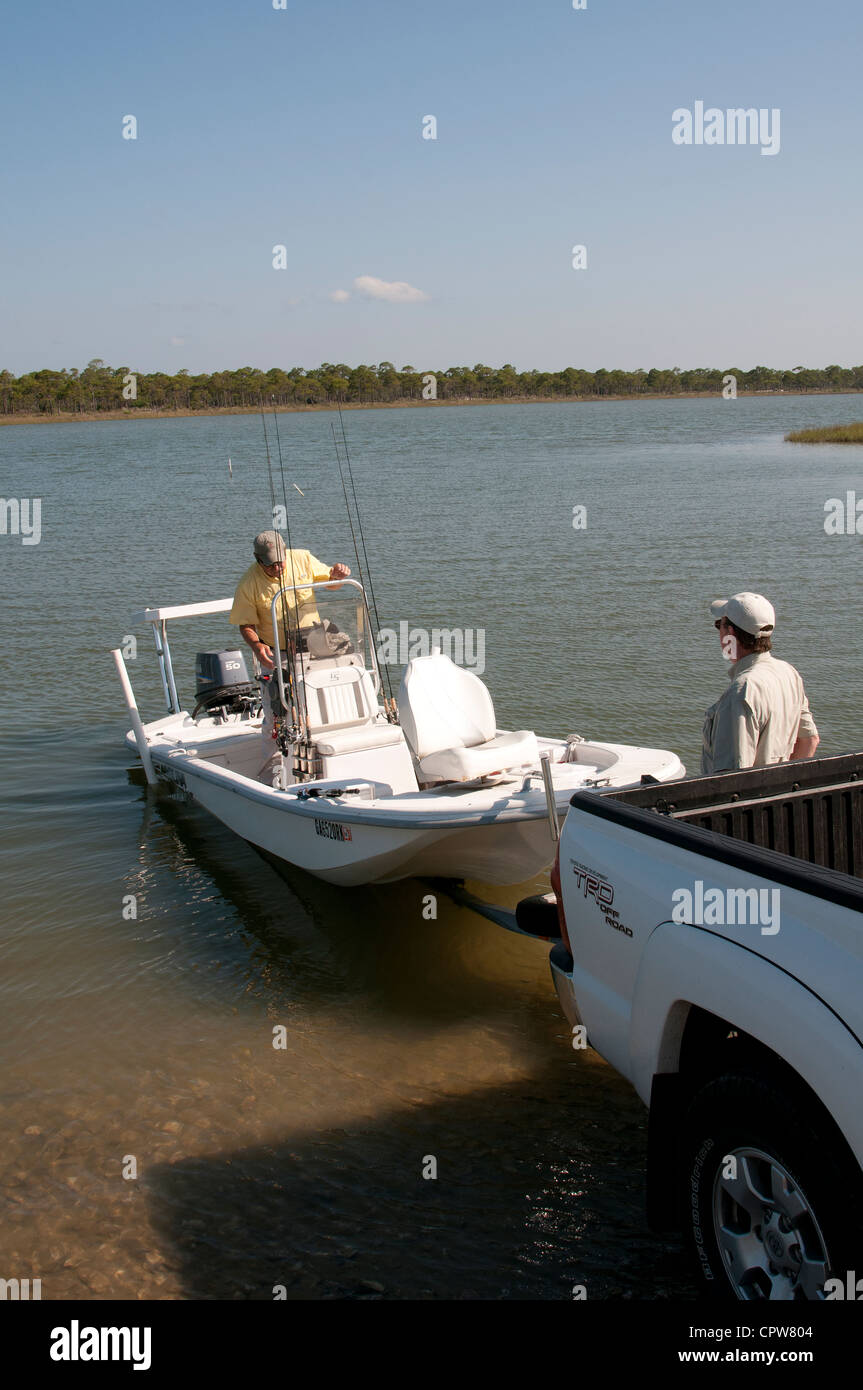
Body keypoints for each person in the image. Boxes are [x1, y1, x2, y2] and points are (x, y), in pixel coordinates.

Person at [229, 531, 351, 782]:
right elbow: (245, 624)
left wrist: (337, 575)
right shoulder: (248, 583)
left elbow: (331, 581)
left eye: (280, 561)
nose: (277, 567)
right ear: (257, 559)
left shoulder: (303, 559)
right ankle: (271, 773)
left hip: (314, 646)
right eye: (270, 563)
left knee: (323, 703)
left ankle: (329, 760)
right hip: (277, 654)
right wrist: (256, 647)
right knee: (277, 716)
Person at [701, 591, 819, 775]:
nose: (718, 633)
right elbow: (809, 740)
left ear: (730, 633)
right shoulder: (789, 673)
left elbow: (732, 777)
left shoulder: (741, 691)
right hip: (778, 796)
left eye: (719, 625)